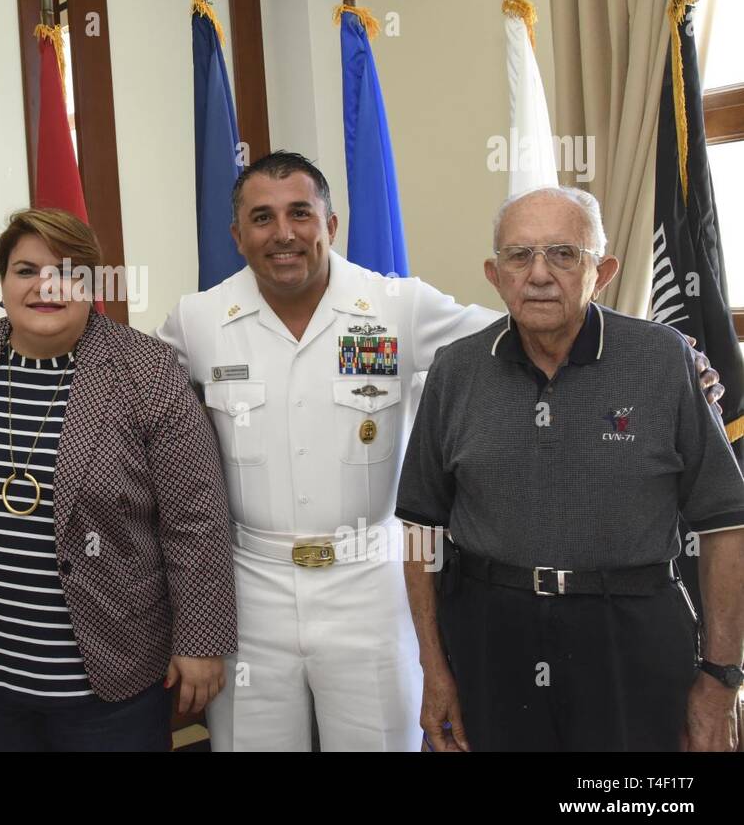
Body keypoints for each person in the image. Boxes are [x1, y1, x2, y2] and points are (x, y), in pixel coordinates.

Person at [158, 151, 499, 751]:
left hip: (370, 585)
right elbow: (128, 386)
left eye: (300, 214)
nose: (283, 234)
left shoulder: (398, 306)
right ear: (237, 236)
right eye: (262, 218)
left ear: (331, 225)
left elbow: (520, 331)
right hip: (248, 589)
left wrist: (659, 350)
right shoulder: (200, 319)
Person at [397, 186, 744, 752]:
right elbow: (420, 531)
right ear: (494, 273)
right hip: (492, 638)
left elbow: (726, 525)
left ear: (601, 271)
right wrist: (433, 670)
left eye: (563, 254)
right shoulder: (455, 372)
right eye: (519, 255)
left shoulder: (664, 360)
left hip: (630, 640)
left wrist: (722, 678)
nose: (538, 274)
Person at [0, 208, 236, 751]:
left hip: (112, 674)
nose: (46, 285)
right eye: (25, 270)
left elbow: (196, 517)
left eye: (66, 271)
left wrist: (200, 640)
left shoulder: (145, 368)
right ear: (2, 284)